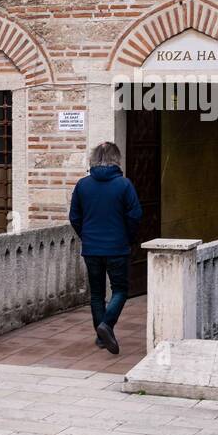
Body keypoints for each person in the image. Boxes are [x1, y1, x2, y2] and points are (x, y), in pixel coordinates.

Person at [68, 141, 142, 355]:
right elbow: (135, 216)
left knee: (97, 294)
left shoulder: (83, 185)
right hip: (117, 247)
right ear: (116, 159)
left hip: (91, 248)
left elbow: (75, 217)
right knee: (120, 290)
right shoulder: (124, 185)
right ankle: (106, 325)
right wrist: (126, 237)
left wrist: (87, 236)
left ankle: (101, 337)